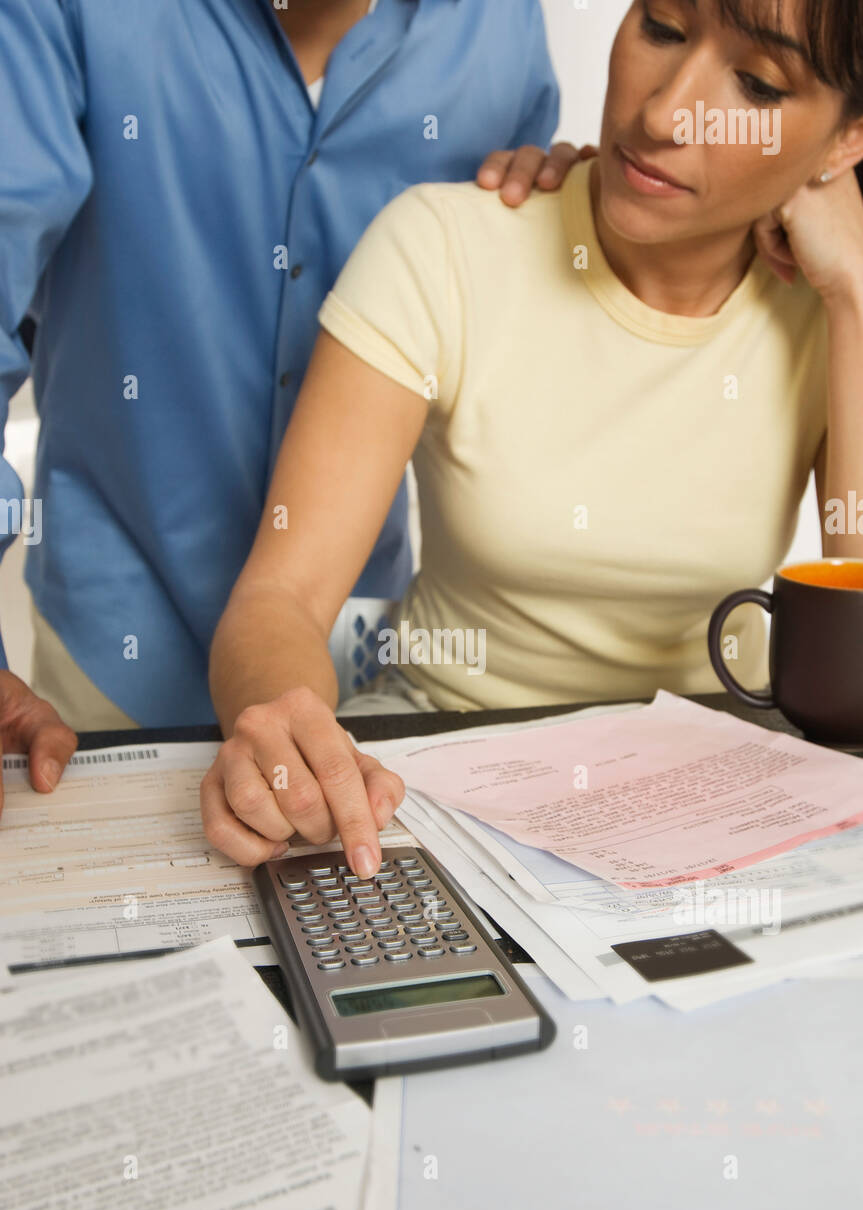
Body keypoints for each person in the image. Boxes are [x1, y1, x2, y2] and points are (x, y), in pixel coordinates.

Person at [202, 0, 863, 880]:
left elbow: (854, 680)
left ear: (844, 142)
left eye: (753, 82)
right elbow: (279, 596)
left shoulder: (828, 306)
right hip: (435, 774)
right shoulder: (442, 244)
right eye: (660, 28)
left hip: (717, 797)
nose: (664, 114)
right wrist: (285, 728)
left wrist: (854, 301)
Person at [0, 0, 572, 813]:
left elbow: (501, 292)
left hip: (358, 658)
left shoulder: (500, 24)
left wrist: (586, 202)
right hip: (112, 644)